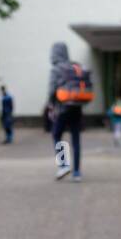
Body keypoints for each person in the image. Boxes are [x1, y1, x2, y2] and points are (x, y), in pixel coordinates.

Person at [47, 41, 84, 181]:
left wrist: (50, 104)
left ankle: (64, 165)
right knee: (76, 139)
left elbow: (51, 90)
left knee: (57, 135)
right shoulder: (75, 66)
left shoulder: (56, 69)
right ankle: (77, 173)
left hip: (62, 109)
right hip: (77, 107)